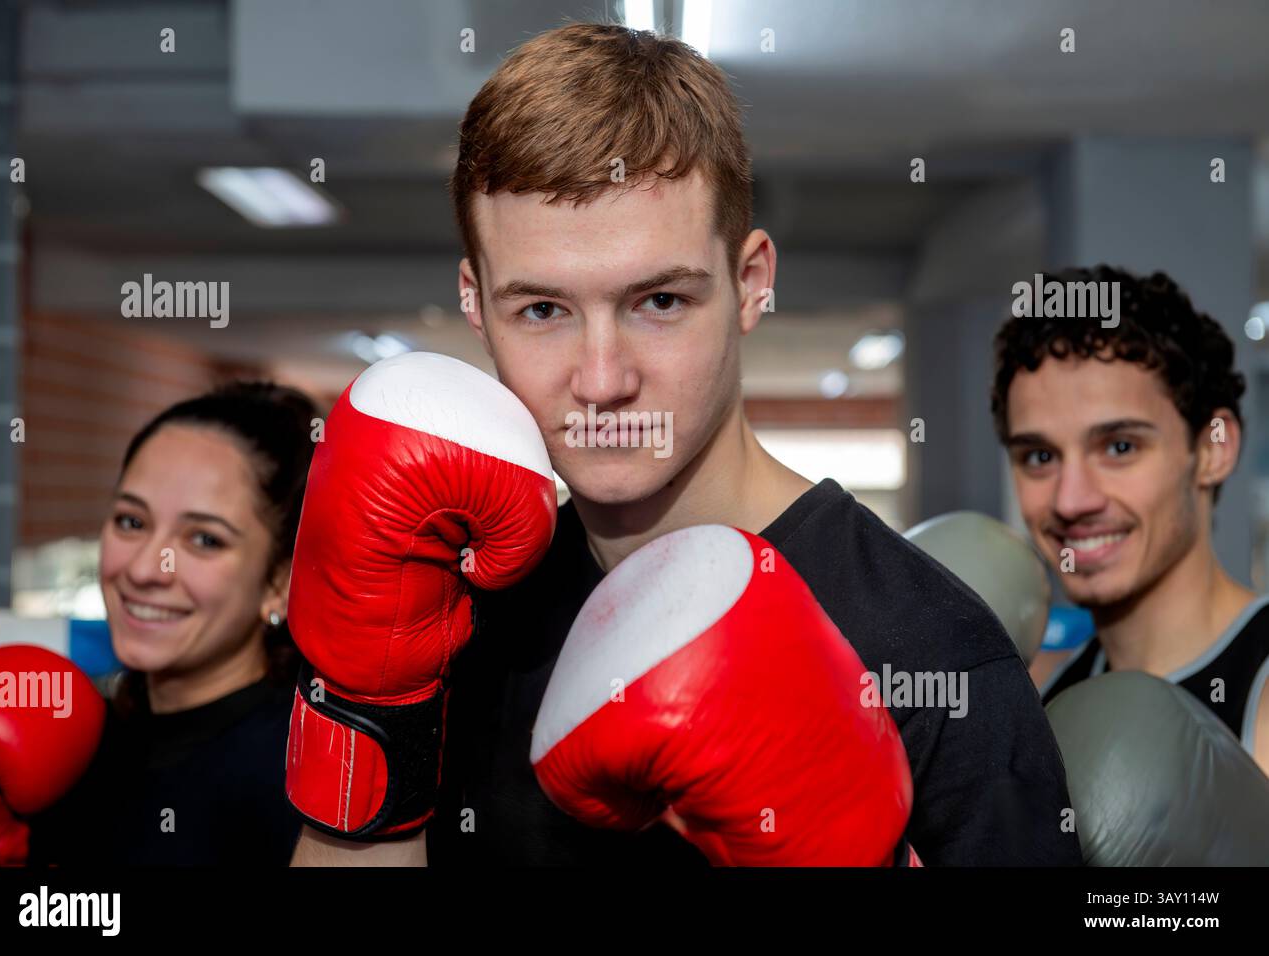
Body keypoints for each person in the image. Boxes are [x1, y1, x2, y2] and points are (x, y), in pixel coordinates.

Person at [290, 22, 1081, 866]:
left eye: (659, 302)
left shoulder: (928, 647)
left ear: (750, 285)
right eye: (543, 311)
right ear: (475, 304)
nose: (601, 380)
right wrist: (372, 706)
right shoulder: (461, 615)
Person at [991, 265, 1269, 776]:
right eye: (1039, 457)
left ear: (1213, 449)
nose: (1071, 501)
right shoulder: (1045, 704)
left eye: (1120, 447)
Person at [29, 381, 319, 865]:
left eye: (204, 539)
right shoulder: (82, 738)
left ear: (279, 582)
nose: (144, 570)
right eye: (131, 521)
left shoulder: (301, 784)